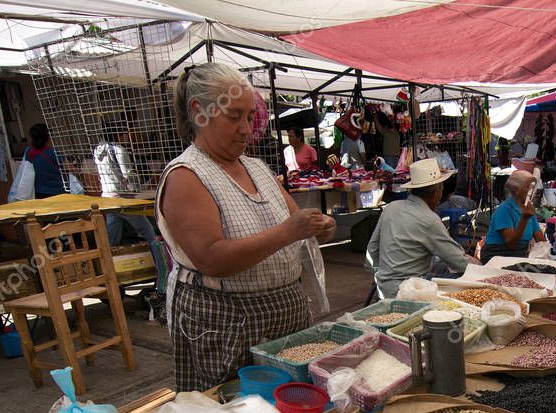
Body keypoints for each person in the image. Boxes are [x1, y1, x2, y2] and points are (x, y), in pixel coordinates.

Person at [157, 63, 337, 392]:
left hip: (283, 317)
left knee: (290, 412)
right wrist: (287, 232)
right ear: (199, 112)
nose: (245, 129)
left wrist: (320, 226)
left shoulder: (256, 167)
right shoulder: (186, 176)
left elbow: (299, 223)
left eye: (249, 116)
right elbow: (212, 259)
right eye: (233, 116)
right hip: (226, 325)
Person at [365, 158, 474, 298]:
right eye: (441, 189)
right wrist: (482, 271)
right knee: (464, 279)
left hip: (383, 286)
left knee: (439, 264)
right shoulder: (429, 219)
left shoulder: (391, 208)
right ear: (436, 193)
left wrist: (381, 276)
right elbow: (458, 262)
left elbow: (372, 249)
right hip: (410, 290)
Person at [94, 124, 158, 246]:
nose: (128, 137)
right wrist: (140, 185)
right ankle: (160, 259)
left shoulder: (98, 149)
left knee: (112, 235)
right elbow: (127, 174)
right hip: (122, 198)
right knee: (147, 230)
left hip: (107, 197)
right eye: (126, 134)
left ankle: (109, 259)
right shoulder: (119, 150)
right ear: (119, 134)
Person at [480, 170, 546, 264]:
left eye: (533, 186)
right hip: (497, 256)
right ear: (516, 189)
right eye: (528, 186)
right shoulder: (504, 209)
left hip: (518, 255)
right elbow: (512, 244)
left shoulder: (528, 209)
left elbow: (541, 241)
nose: (531, 190)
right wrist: (524, 219)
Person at [25, 123, 66, 199]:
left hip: (38, 193)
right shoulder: (53, 153)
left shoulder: (29, 152)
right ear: (47, 137)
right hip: (58, 192)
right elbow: (71, 168)